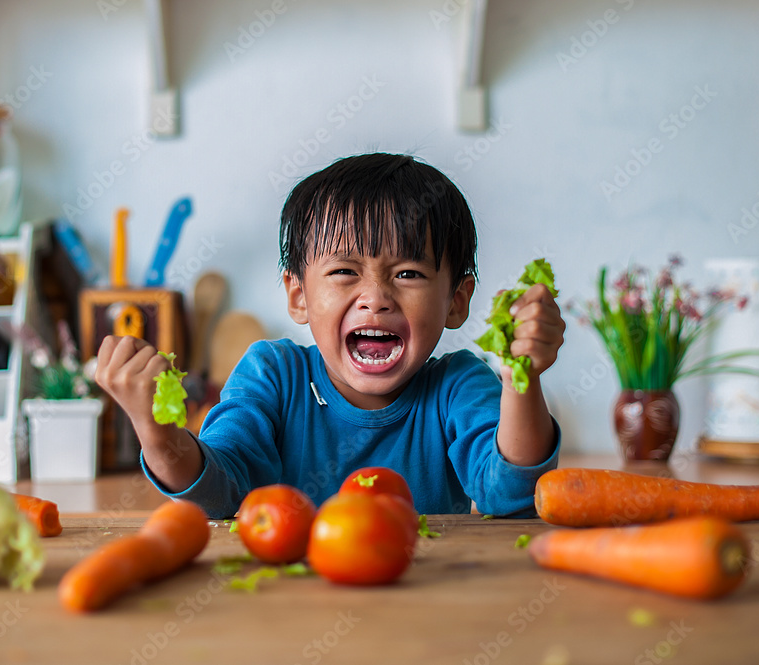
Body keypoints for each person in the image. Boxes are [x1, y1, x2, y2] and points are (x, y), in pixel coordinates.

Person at [95, 152, 565, 518]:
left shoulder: (460, 386)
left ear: (457, 300)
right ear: (298, 295)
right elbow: (216, 494)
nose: (375, 297)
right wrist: (154, 431)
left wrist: (521, 375)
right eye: (344, 271)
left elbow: (513, 498)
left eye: (408, 274)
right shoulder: (272, 376)